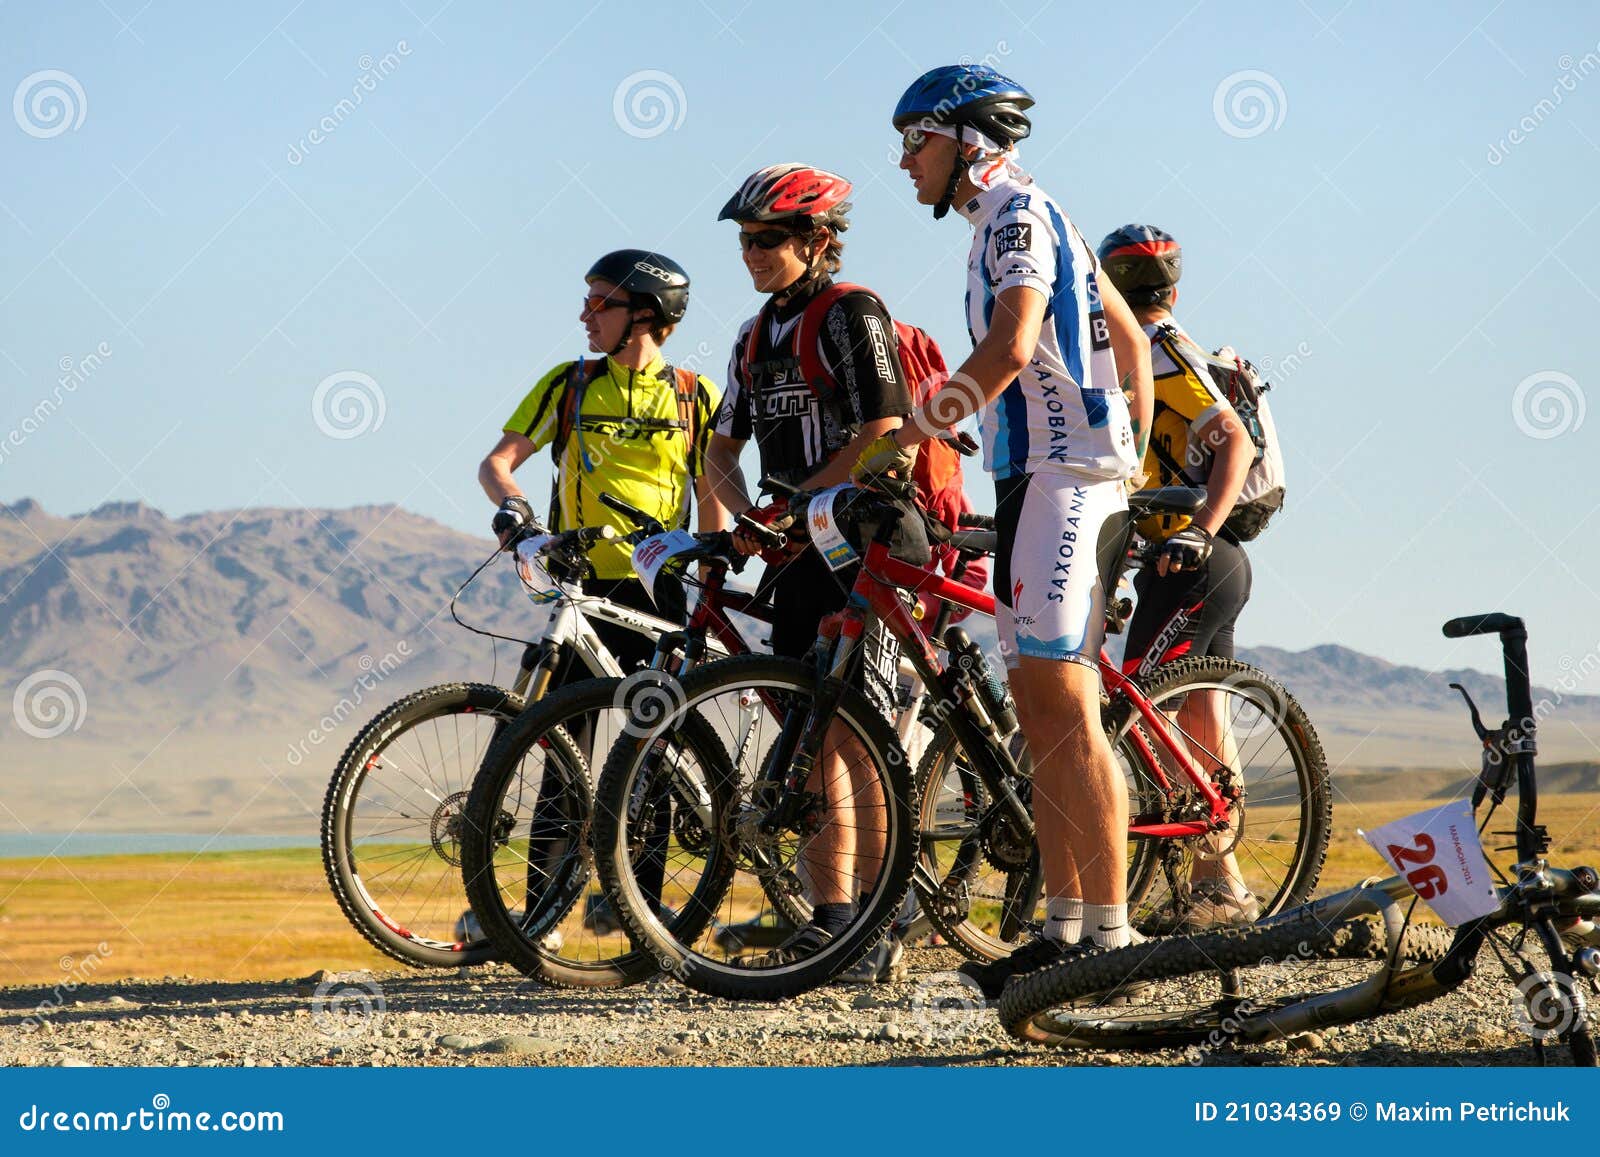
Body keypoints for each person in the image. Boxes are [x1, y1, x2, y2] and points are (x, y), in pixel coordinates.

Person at [857, 66, 1154, 999]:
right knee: (1037, 709)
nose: (905, 164)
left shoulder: (1019, 215)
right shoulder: (1006, 219)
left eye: (916, 142)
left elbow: (1016, 343)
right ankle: (1065, 926)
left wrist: (920, 422)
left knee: (1065, 706)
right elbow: (1130, 339)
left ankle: (1112, 937)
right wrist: (1136, 444)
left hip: (1068, 477)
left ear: (967, 141)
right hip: (1031, 476)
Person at [700, 163, 915, 971]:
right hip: (797, 555)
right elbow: (721, 448)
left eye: (767, 239)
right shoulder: (754, 337)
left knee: (857, 737)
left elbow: (886, 430)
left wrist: (798, 500)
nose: (751, 254)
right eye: (745, 240)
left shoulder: (851, 312)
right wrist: (725, 531)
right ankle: (835, 915)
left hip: (870, 539)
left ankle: (878, 916)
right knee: (808, 730)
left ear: (817, 240)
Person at [1097, 224, 1259, 930]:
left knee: (1139, 707)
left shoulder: (1159, 350)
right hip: (1198, 562)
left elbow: (1236, 440)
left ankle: (1203, 873)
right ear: (1174, 283)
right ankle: (1222, 887)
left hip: (1194, 560)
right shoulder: (1158, 348)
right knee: (1202, 721)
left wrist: (1200, 528)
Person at [479, 249, 725, 674]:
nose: (584, 317)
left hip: (660, 587)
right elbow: (496, 465)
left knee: (653, 733)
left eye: (597, 304)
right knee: (551, 726)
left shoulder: (695, 395)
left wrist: (709, 597)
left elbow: (713, 501)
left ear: (645, 314)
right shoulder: (569, 383)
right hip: (577, 578)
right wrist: (514, 506)